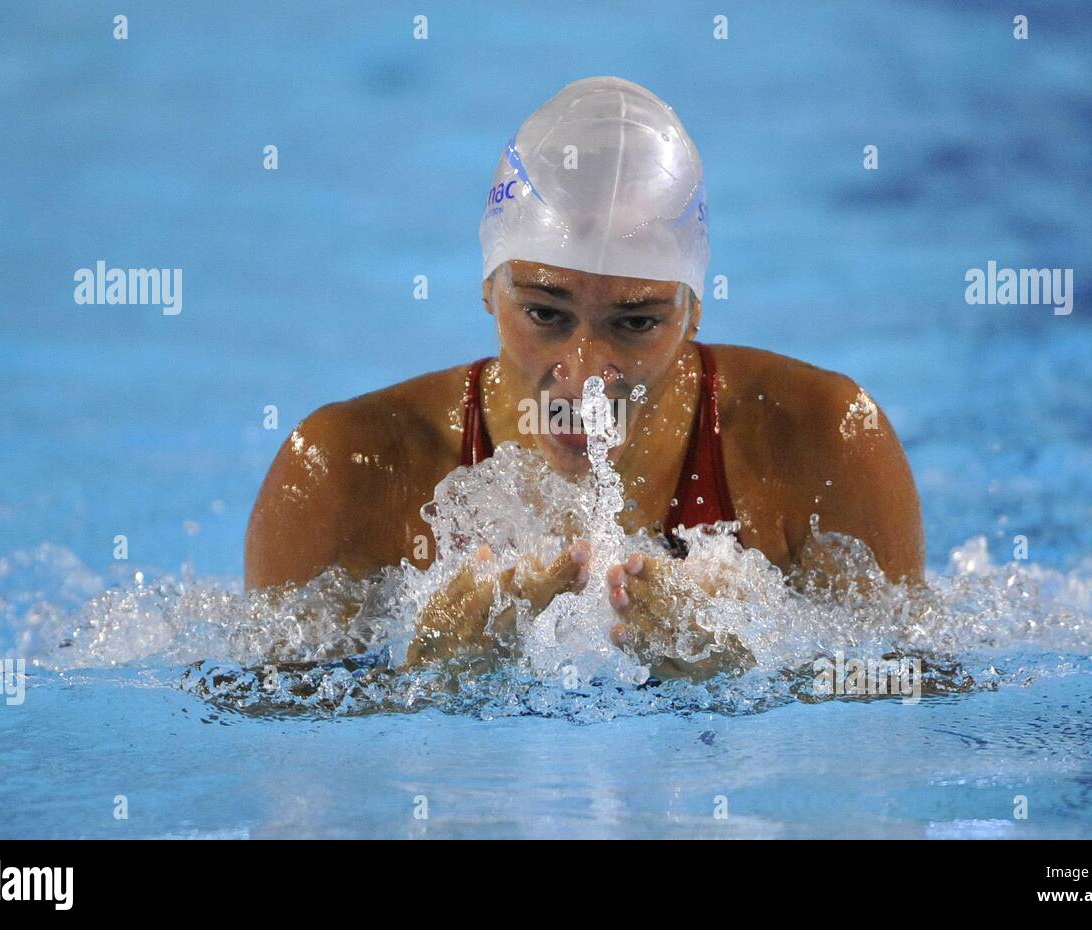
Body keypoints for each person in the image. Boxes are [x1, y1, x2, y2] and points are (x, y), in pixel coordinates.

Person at [245, 76, 924, 677]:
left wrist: (749, 680)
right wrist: (428, 680)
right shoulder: (344, 474)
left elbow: (910, 716)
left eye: (636, 324)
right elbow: (272, 762)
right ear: (489, 286)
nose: (585, 377)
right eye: (545, 313)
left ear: (692, 311)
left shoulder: (822, 443)